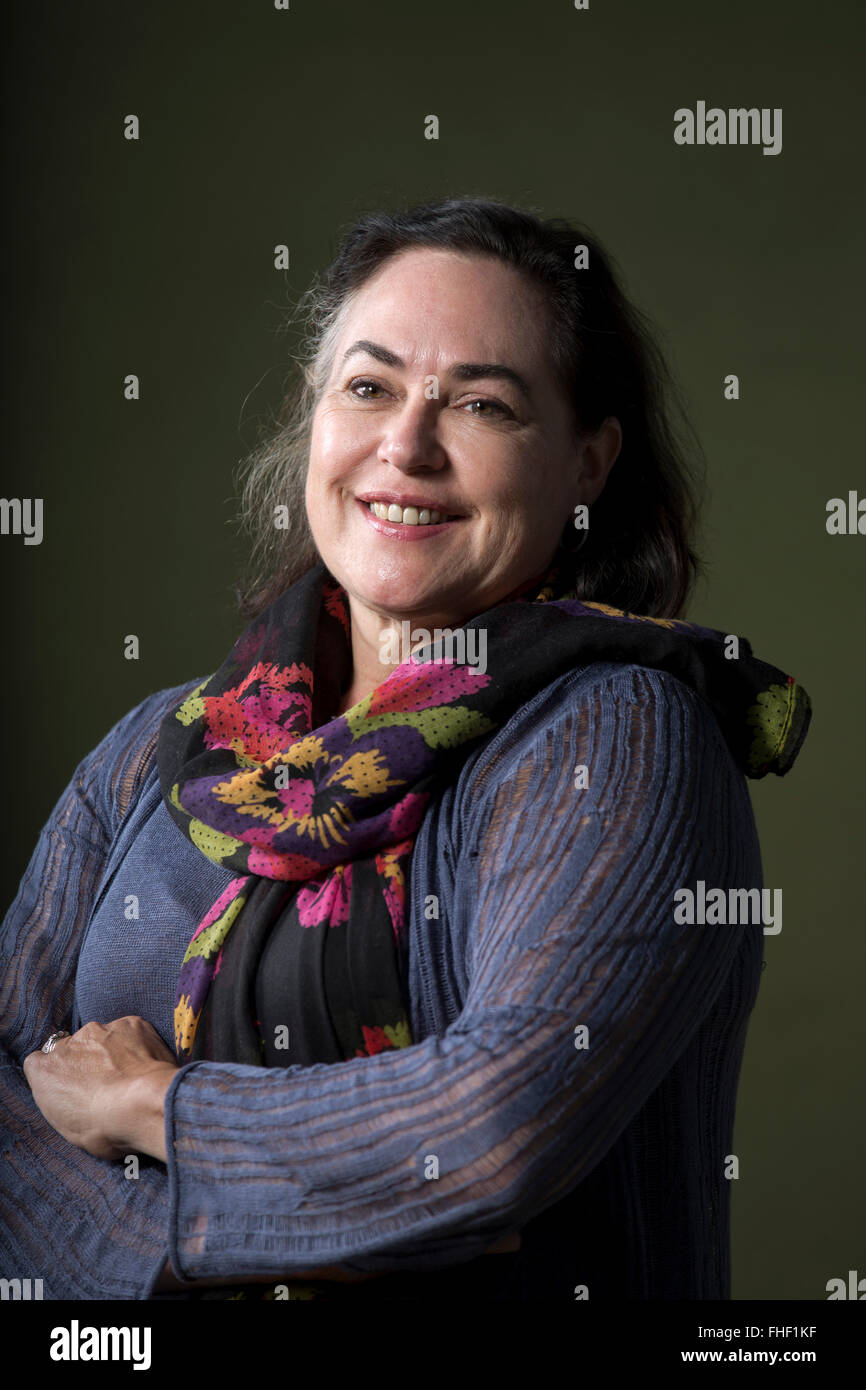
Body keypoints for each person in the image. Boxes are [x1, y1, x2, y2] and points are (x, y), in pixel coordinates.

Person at [0, 197, 811, 1301]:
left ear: (586, 462)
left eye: (481, 403)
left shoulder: (621, 734)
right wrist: (314, 1227)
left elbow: (491, 1133)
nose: (407, 446)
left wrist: (151, 1109)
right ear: (315, 415)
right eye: (368, 387)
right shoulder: (159, 748)